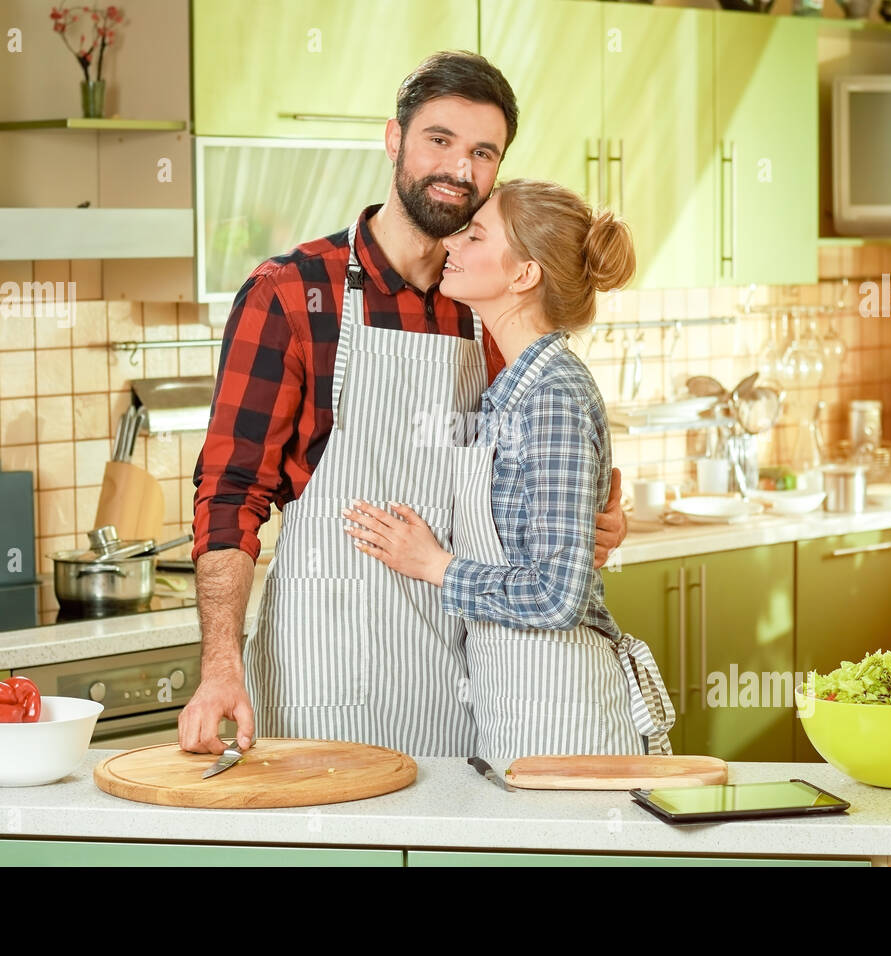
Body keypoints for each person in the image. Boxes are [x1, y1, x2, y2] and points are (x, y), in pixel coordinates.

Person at [179, 51, 629, 757]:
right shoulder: (294, 294)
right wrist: (219, 664)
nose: (459, 169)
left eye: (483, 152)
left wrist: (589, 520)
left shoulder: (487, 304)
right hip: (324, 668)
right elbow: (230, 490)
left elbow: (536, 476)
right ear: (395, 140)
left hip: (467, 678)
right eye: (439, 140)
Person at [343, 180, 674, 763]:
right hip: (517, 697)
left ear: (523, 276)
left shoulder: (552, 396)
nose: (454, 245)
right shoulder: (511, 388)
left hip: (565, 706)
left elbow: (557, 597)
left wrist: (435, 565)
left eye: (475, 235)